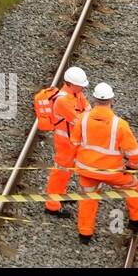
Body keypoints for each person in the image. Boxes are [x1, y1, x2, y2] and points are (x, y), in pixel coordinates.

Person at [71, 82, 138, 244]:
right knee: (133, 187)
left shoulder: (83, 119)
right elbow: (133, 151)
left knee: (87, 198)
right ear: (112, 100)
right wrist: (132, 166)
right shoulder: (119, 124)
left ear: (94, 99)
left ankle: (85, 234)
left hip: (87, 170)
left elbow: (74, 142)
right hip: (112, 172)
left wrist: (77, 162)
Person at [44, 66, 89, 217]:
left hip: (72, 141)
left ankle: (60, 195)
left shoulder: (77, 94)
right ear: (70, 84)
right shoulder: (63, 100)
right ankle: (52, 206)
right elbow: (78, 120)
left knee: (66, 171)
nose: (83, 87)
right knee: (60, 172)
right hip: (64, 142)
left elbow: (87, 110)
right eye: (80, 85)